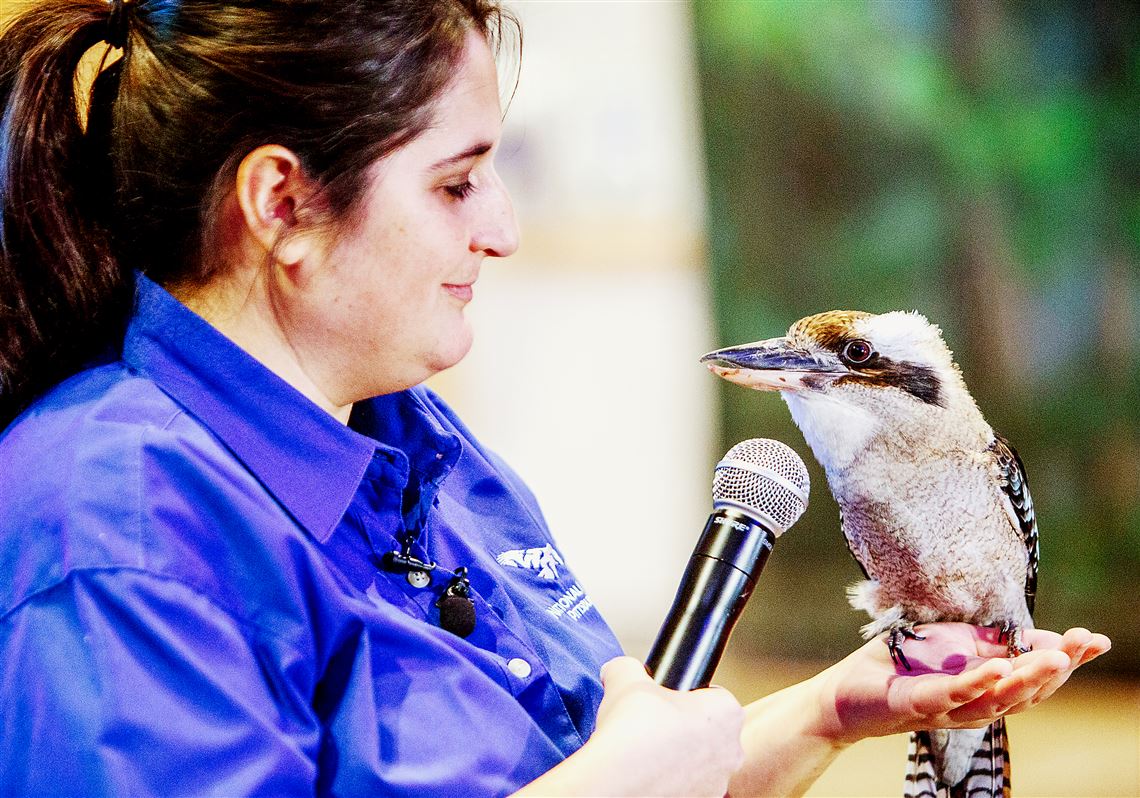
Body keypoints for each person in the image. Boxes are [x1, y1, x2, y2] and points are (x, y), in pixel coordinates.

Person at [0, 1, 1110, 796]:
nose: (503, 228)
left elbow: (610, 764)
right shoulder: (116, 528)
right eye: (455, 182)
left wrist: (830, 710)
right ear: (284, 201)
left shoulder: (414, 437)